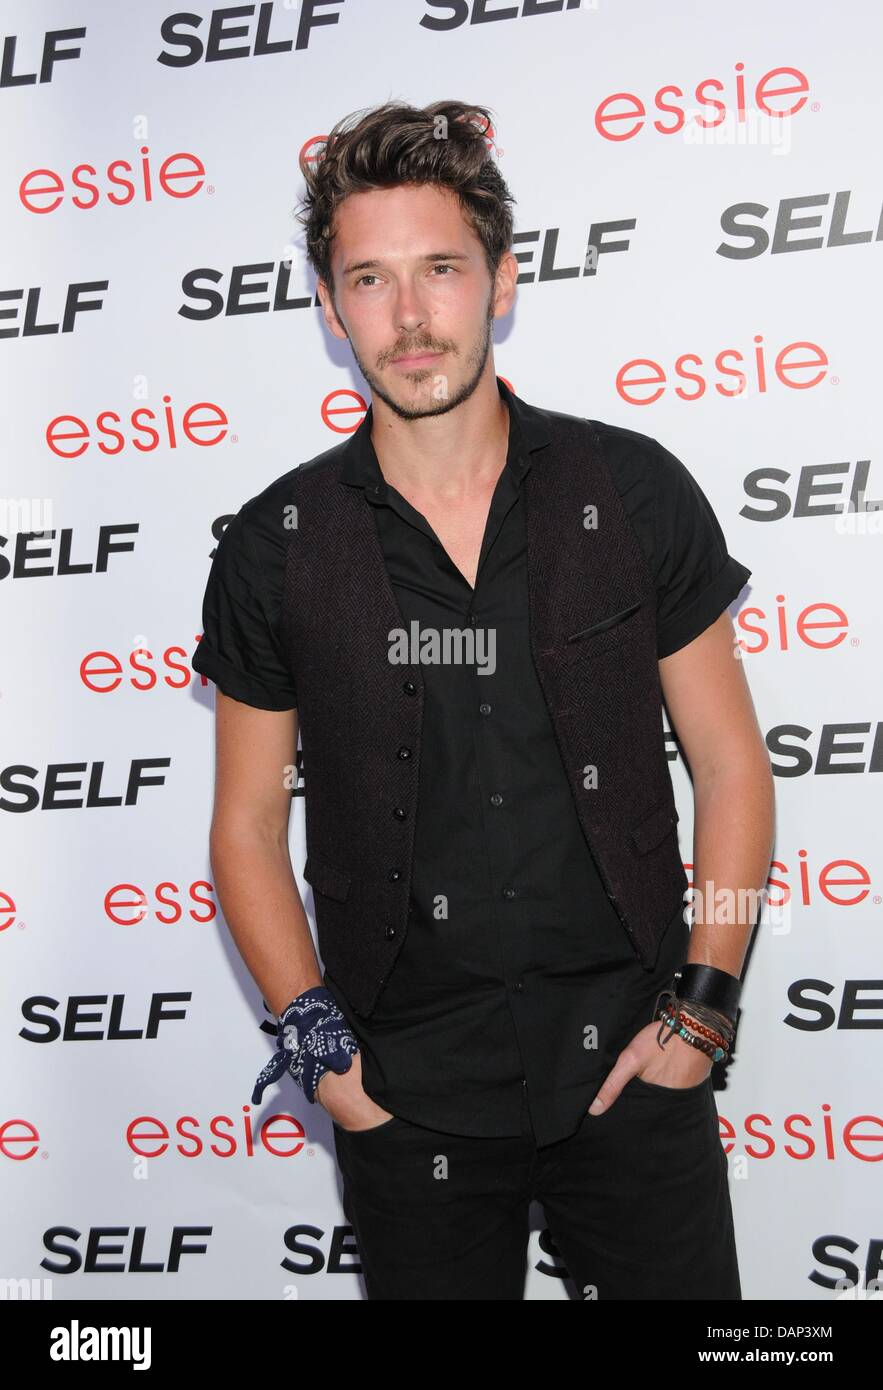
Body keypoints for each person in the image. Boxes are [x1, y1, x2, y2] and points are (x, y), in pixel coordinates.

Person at [191, 99, 775, 1301]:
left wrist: (702, 1013)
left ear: (502, 282)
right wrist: (328, 1064)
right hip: (407, 1099)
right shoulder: (275, 547)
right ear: (326, 303)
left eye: (441, 270)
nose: (410, 318)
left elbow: (728, 763)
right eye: (370, 279)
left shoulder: (631, 491)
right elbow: (247, 825)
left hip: (632, 1068)